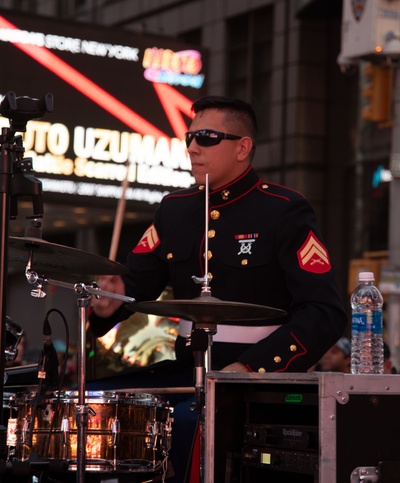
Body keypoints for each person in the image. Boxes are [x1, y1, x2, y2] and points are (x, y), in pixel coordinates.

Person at [90, 95, 347, 480]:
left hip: (252, 379)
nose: (193, 147)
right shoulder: (174, 209)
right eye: (190, 137)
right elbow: (135, 285)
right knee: (92, 403)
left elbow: (325, 313)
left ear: (243, 147)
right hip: (184, 371)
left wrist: (251, 367)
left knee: (187, 424)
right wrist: (107, 302)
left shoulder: (284, 209)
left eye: (207, 137)